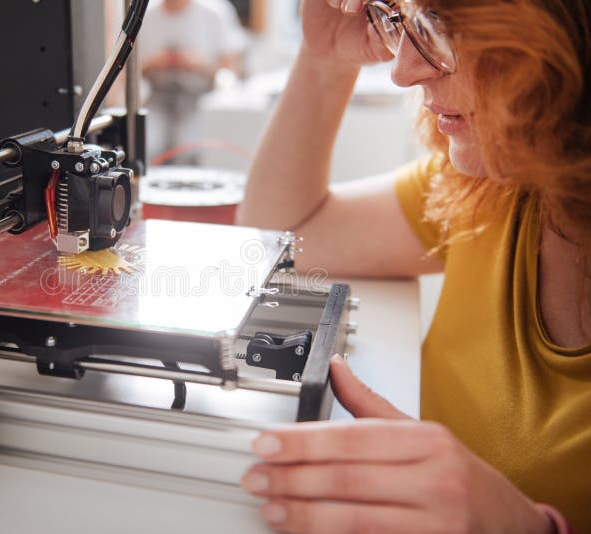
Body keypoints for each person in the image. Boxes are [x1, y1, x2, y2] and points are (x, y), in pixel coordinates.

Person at [237, 0, 591, 532]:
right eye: (402, 17)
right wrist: (325, 58)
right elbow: (284, 234)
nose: (402, 71)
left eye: (440, 27)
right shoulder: (495, 184)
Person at [138, 0, 247, 164]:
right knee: (146, 147)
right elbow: (130, 71)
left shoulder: (215, 12)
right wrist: (153, 63)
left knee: (191, 151)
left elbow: (233, 70)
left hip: (200, 98)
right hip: (158, 97)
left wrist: (200, 65)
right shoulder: (144, 14)